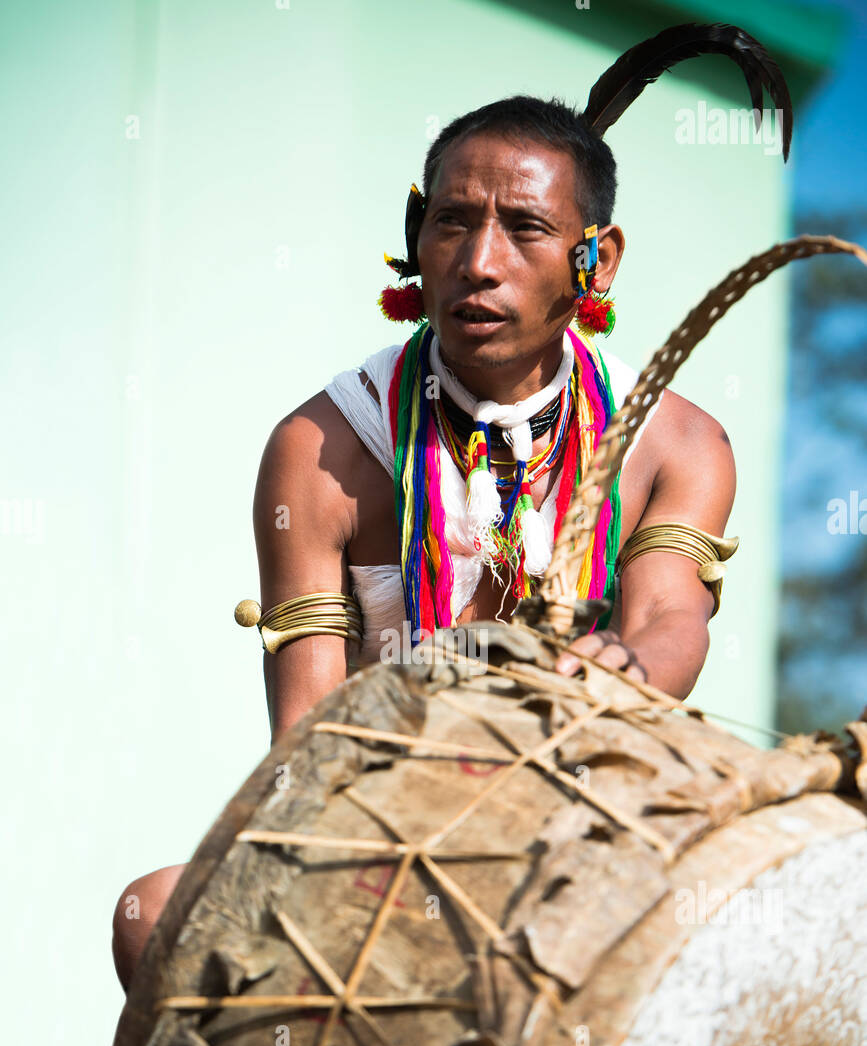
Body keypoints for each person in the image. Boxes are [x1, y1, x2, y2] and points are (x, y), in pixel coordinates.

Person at [111, 22, 792, 993]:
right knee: (153, 915)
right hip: (369, 831)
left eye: (525, 228)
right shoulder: (322, 447)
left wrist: (621, 672)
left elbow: (669, 621)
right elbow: (306, 732)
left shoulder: (676, 444)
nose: (479, 262)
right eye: (451, 223)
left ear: (596, 260)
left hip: (590, 817)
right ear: (413, 238)